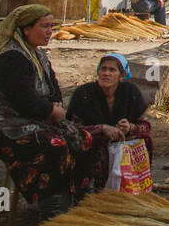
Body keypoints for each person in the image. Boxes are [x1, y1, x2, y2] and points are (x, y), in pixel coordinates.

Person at [0, 4, 97, 219]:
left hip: (36, 120)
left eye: (51, 26)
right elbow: (23, 101)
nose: (50, 31)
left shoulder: (38, 56)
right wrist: (51, 110)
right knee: (54, 146)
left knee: (84, 138)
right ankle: (50, 207)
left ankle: (80, 197)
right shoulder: (12, 58)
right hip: (5, 125)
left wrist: (55, 107)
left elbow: (53, 90)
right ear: (26, 29)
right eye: (44, 26)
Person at [66, 53, 155, 188]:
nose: (106, 73)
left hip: (121, 142)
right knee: (90, 141)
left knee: (146, 139)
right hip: (93, 141)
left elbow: (145, 125)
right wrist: (101, 128)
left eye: (112, 70)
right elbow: (71, 127)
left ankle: (134, 182)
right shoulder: (83, 93)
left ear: (122, 75)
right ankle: (89, 187)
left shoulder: (130, 92)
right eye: (103, 69)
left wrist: (130, 127)